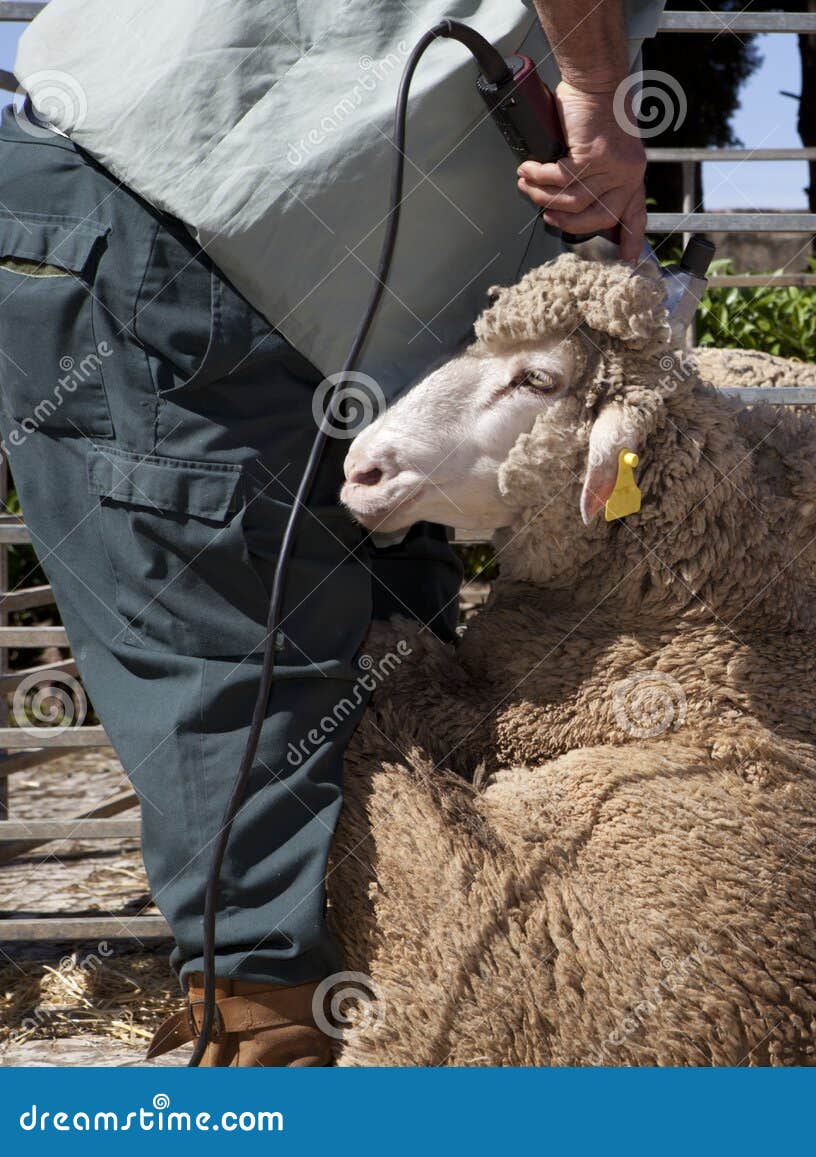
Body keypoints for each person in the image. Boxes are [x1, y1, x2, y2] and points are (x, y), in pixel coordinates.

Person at [0, 0, 661, 1065]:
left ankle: (406, 984)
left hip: (375, 289)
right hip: (168, 199)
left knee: (386, 647)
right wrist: (594, 88)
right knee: (223, 622)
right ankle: (273, 1028)